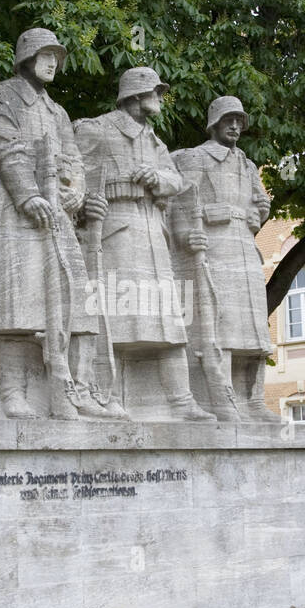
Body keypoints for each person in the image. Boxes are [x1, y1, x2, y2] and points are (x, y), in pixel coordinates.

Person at [0, 28, 118, 419]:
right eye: (45, 54)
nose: (53, 62)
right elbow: (5, 147)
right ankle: (13, 394)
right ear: (25, 56)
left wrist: (76, 191)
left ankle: (77, 390)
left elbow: (74, 159)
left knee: (78, 305)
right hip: (11, 209)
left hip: (59, 215)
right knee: (15, 306)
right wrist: (28, 194)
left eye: (57, 56)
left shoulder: (58, 112)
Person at [74, 67, 214, 421]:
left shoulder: (156, 142)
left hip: (153, 232)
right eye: (155, 92)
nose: (160, 99)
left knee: (168, 321)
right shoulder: (98, 129)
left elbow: (176, 178)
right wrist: (84, 204)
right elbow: (73, 172)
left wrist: (158, 179)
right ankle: (108, 396)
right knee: (115, 319)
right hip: (116, 229)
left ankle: (181, 400)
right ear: (136, 95)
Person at [170, 96, 278, 422]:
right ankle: (222, 398)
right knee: (223, 325)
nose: (234, 126)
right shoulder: (195, 158)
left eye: (239, 122)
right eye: (228, 120)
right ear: (214, 124)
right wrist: (191, 229)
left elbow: (262, 203)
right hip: (213, 248)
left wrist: (250, 219)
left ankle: (254, 400)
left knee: (255, 329)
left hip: (244, 247)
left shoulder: (247, 165)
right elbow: (178, 203)